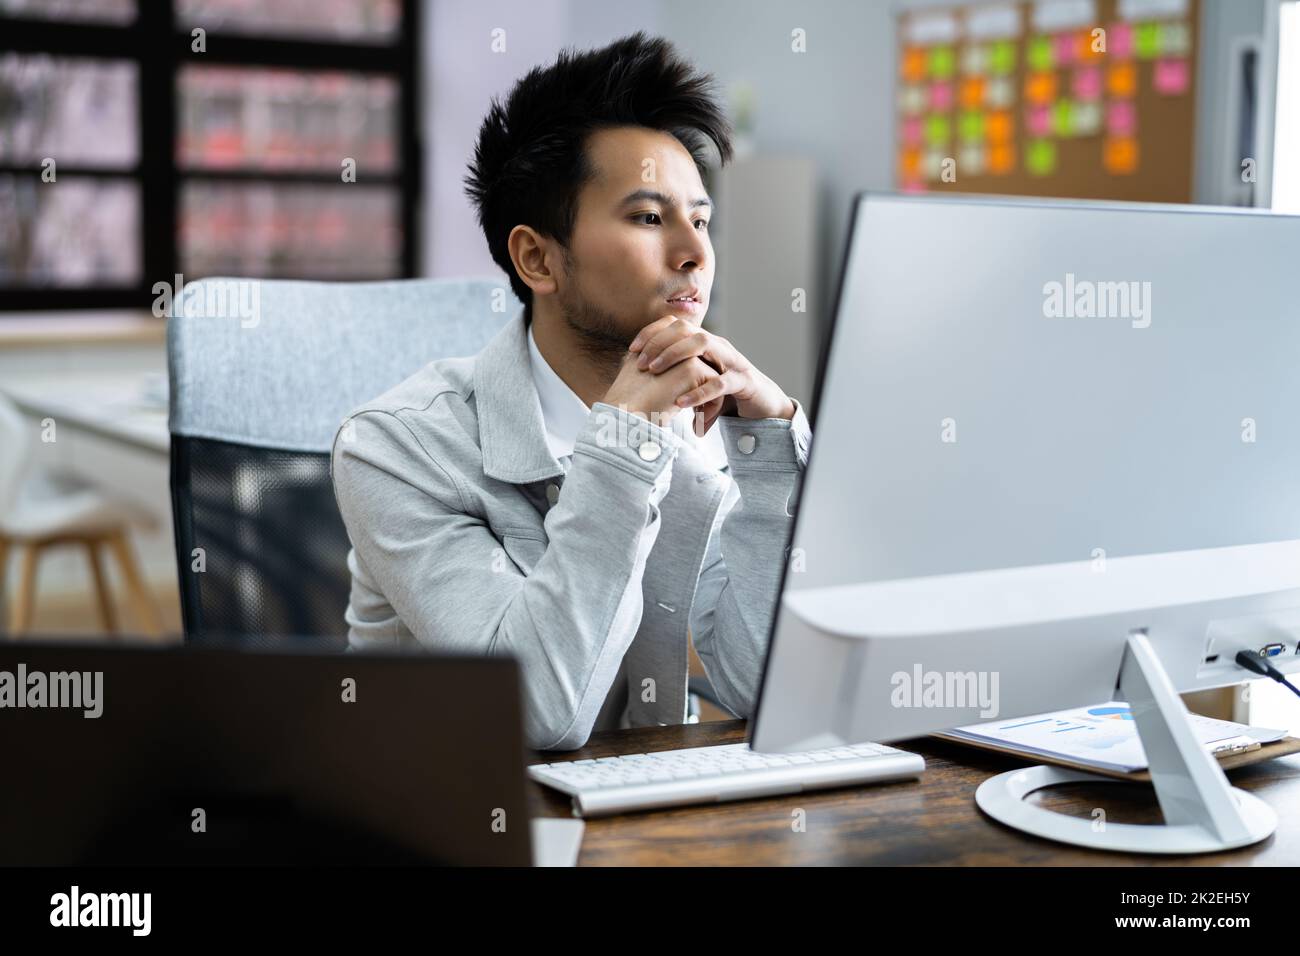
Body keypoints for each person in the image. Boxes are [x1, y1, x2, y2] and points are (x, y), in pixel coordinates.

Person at [331, 32, 811, 750]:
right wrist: (621, 448)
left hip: (637, 830)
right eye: (650, 217)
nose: (694, 253)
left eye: (701, 220)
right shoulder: (396, 447)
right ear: (537, 258)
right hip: (440, 821)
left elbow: (766, 687)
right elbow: (539, 713)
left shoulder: (695, 429)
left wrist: (772, 452)